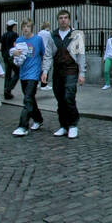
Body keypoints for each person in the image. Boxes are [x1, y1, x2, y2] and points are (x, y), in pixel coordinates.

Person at [46, 10, 84, 139]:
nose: (63, 20)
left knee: (69, 96)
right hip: (58, 70)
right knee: (60, 99)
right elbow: (48, 55)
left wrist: (82, 73)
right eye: (61, 18)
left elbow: (81, 55)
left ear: (69, 19)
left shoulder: (76, 34)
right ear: (58, 20)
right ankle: (63, 125)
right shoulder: (53, 35)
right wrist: (45, 71)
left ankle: (73, 124)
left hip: (71, 70)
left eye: (66, 18)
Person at [12, 25, 46, 136]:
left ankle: (23, 126)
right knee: (30, 98)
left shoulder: (38, 39)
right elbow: (13, 54)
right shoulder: (19, 40)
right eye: (24, 27)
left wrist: (43, 71)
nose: (26, 29)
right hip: (23, 73)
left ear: (31, 28)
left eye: (28, 26)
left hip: (34, 73)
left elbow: (43, 54)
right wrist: (14, 53)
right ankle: (38, 119)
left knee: (27, 99)